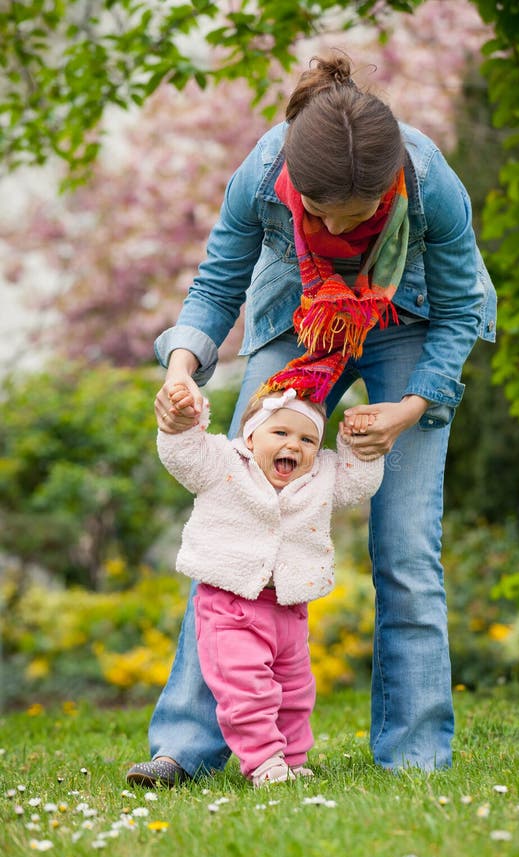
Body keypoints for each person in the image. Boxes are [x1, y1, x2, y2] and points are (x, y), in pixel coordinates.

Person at [127, 51, 497, 787]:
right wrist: (180, 370)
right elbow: (216, 285)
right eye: (321, 213)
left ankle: (415, 755)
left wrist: (413, 406)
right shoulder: (263, 174)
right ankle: (186, 746)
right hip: (294, 320)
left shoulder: (430, 185)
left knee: (407, 548)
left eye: (357, 219)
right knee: (233, 522)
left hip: (412, 324)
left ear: (390, 187)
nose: (336, 229)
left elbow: (463, 307)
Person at [126, 383, 383, 787]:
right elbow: (182, 455)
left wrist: (357, 446)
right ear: (250, 436)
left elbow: (358, 484)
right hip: (230, 606)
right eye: (280, 434)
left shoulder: (320, 476)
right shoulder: (223, 462)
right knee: (246, 690)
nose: (294, 446)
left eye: (307, 439)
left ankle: (293, 760)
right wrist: (185, 422)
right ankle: (264, 762)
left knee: (295, 692)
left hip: (289, 610)